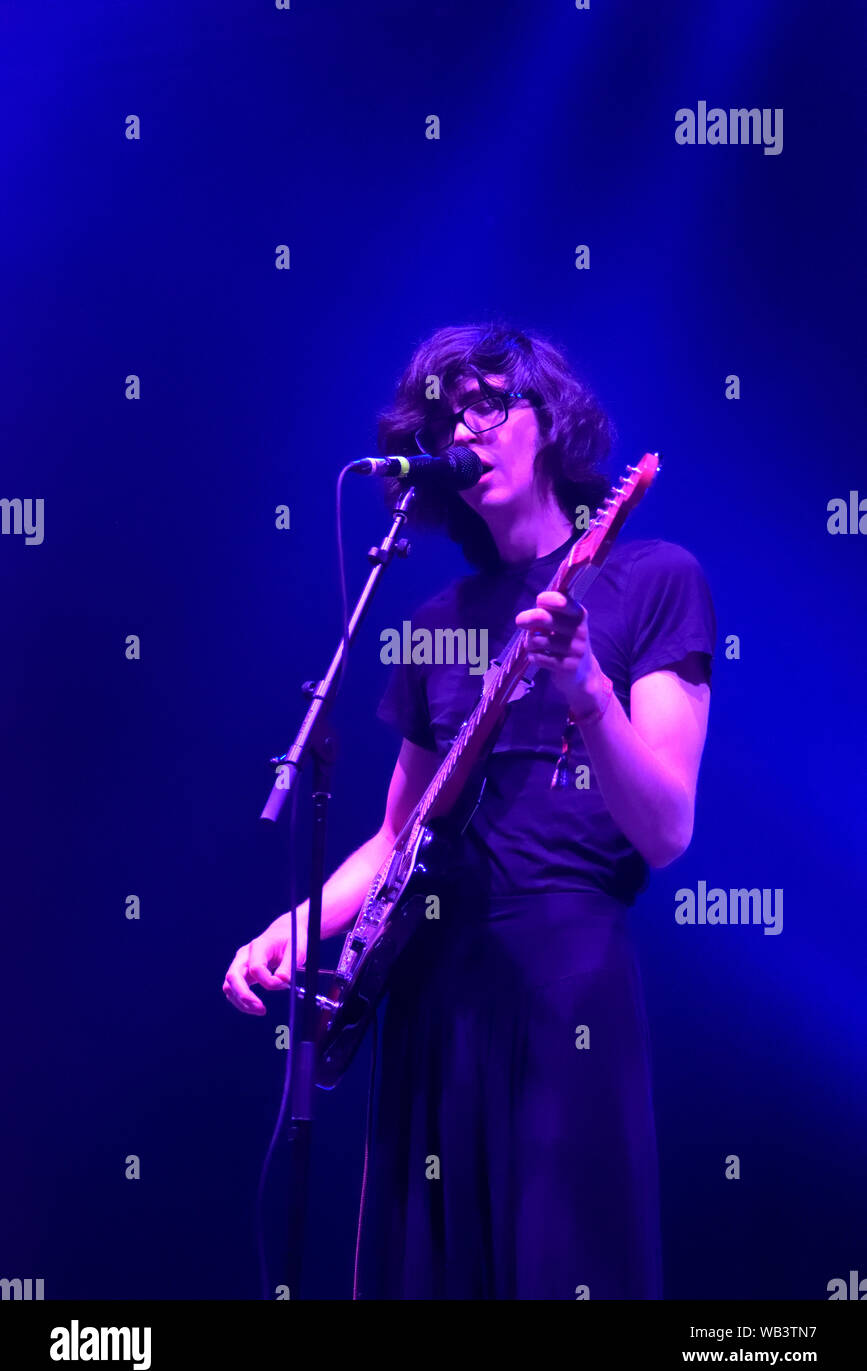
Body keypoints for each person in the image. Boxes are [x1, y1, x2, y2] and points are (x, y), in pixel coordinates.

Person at [223, 323, 715, 1300]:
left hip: (563, 982)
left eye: (491, 402)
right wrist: (295, 925)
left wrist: (585, 688)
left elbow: (666, 827)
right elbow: (397, 836)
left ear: (553, 422)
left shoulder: (654, 576)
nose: (466, 426)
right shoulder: (435, 624)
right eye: (448, 412)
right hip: (432, 992)